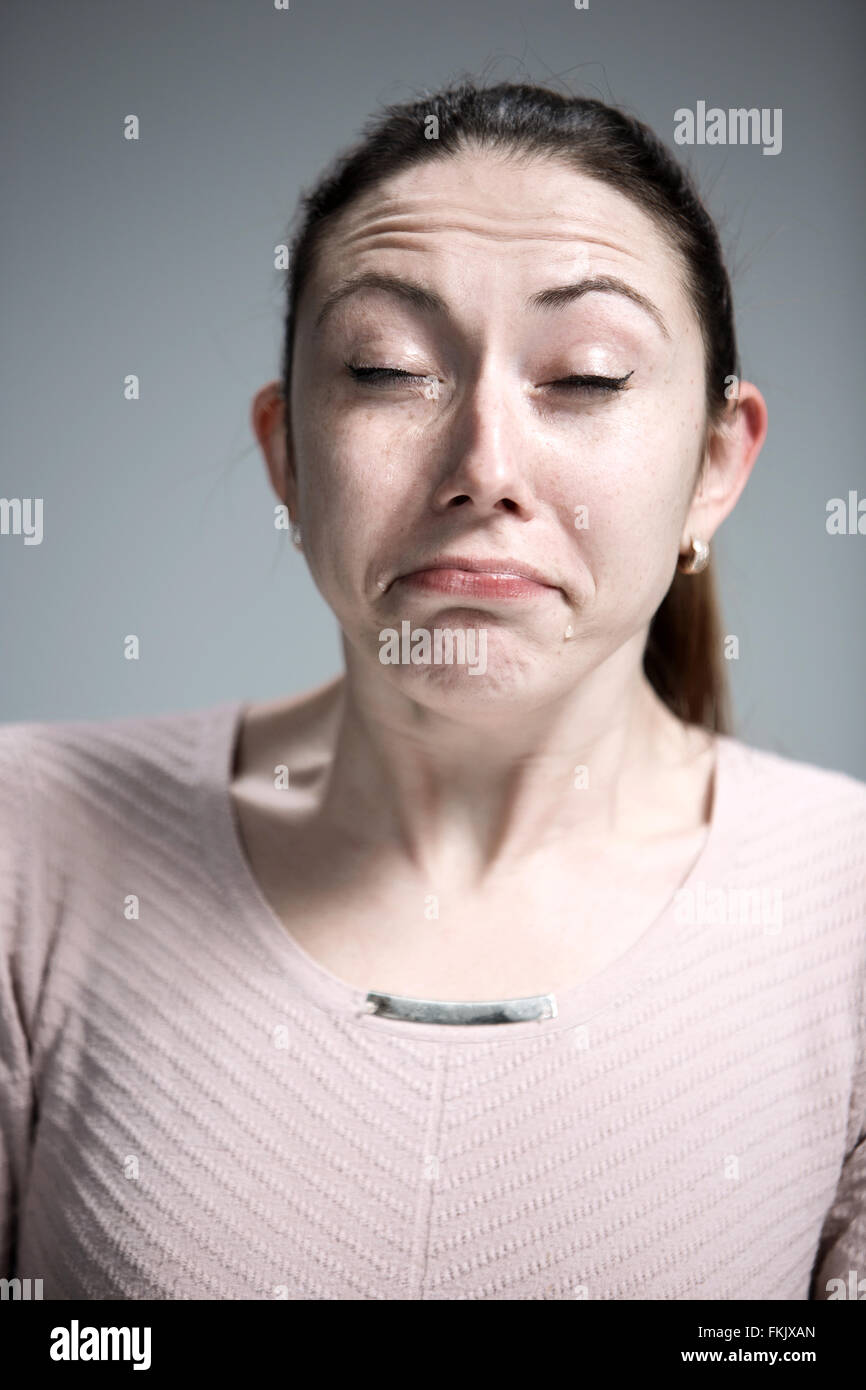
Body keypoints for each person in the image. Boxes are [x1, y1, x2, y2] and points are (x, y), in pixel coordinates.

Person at [1, 80, 864, 1301]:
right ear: (285, 454)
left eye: (586, 375)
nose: (484, 467)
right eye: (385, 367)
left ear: (714, 467)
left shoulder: (848, 919)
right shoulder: (28, 845)